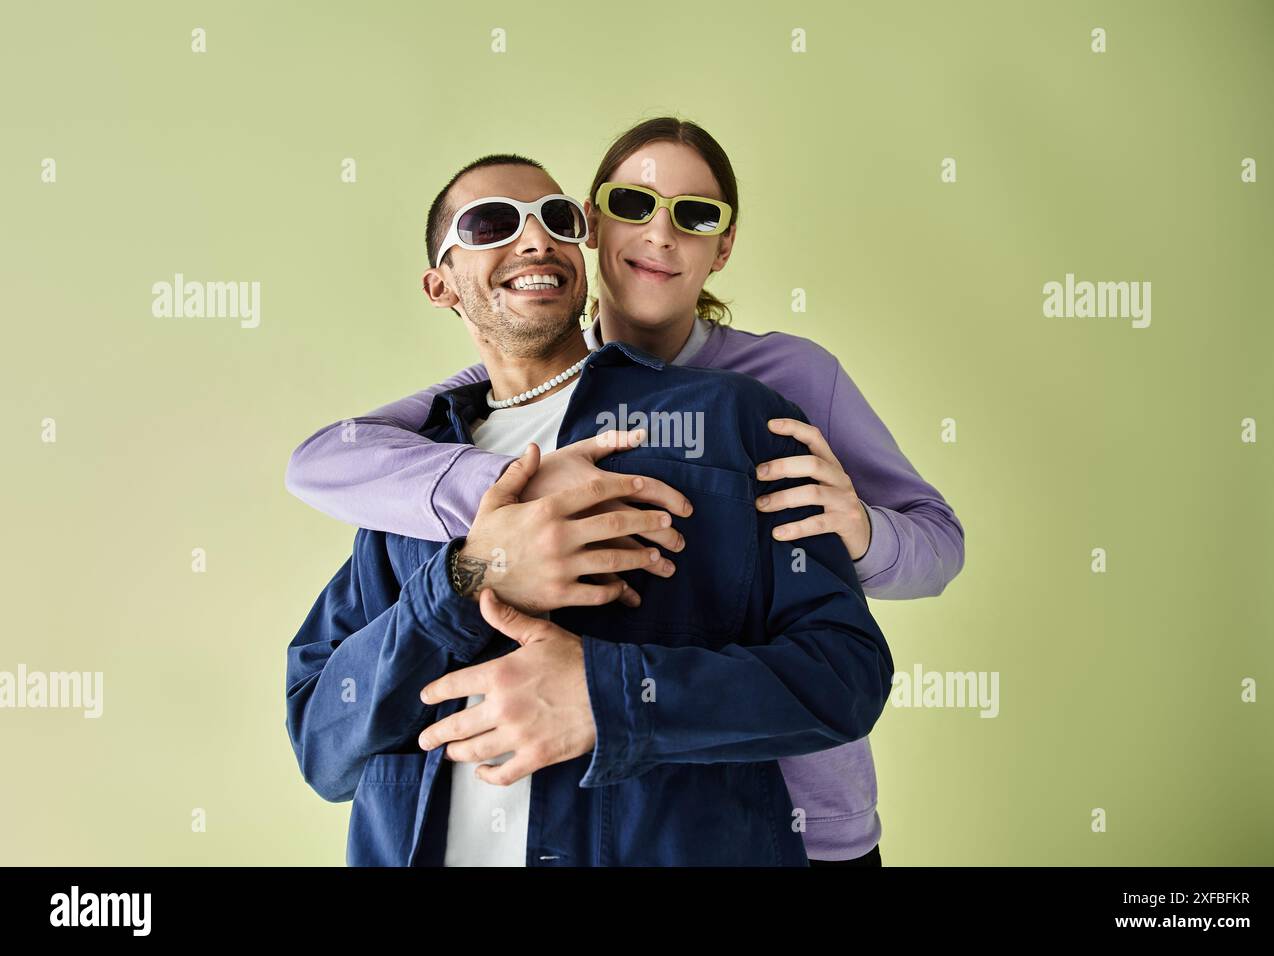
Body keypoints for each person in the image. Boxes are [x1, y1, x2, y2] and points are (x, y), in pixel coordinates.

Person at [286, 117, 965, 865]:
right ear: (439, 285)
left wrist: (609, 698)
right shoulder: (416, 469)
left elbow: (845, 672)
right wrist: (472, 567)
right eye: (490, 224)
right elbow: (324, 744)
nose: (535, 240)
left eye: (554, 219)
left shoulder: (741, 414)